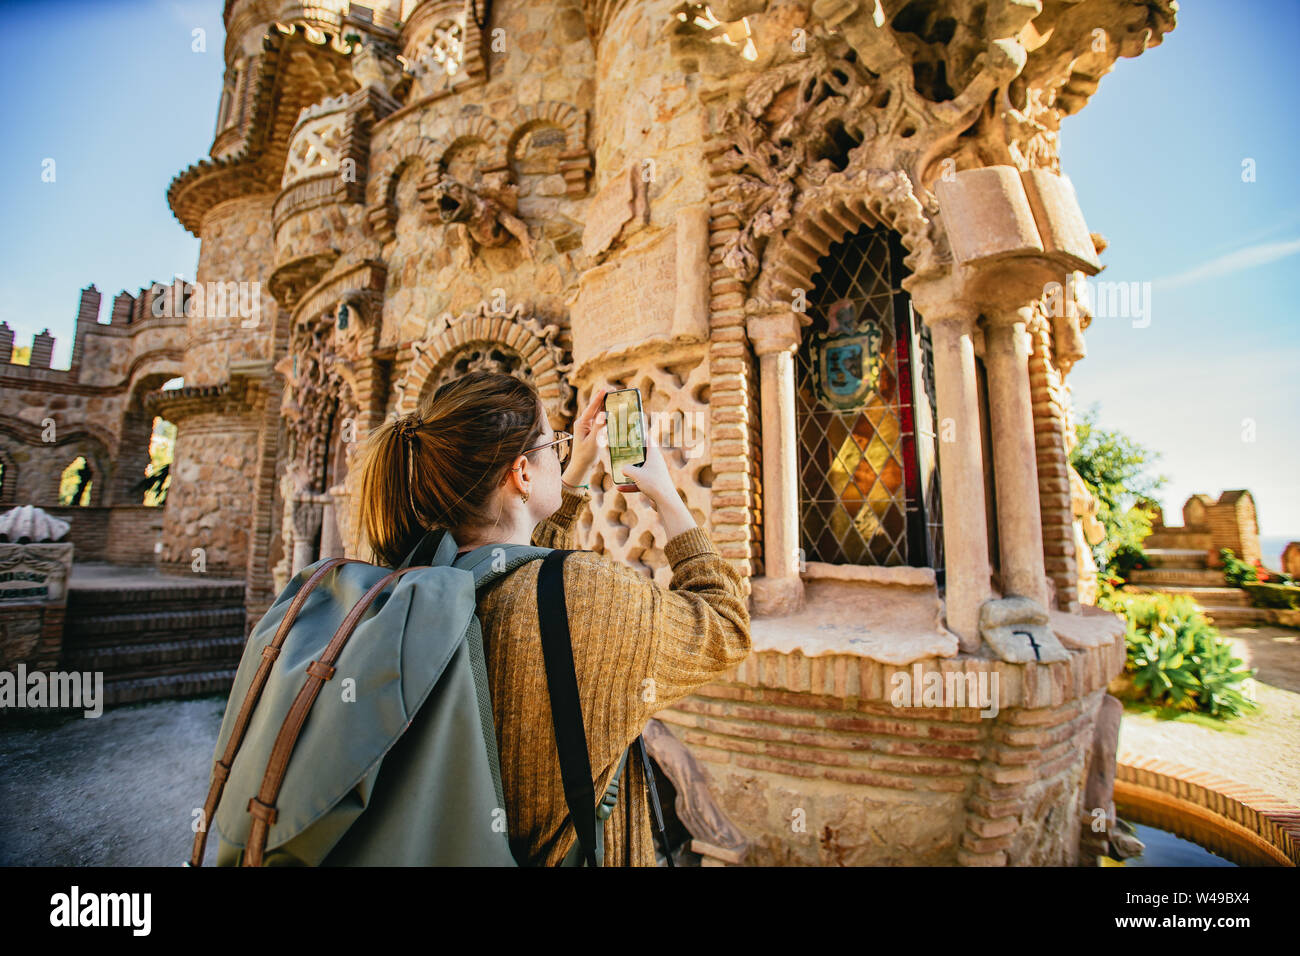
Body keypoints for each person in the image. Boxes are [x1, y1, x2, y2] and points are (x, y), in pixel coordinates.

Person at [357, 370, 751, 866]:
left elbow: (536, 585)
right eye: (554, 444)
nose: (564, 451)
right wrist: (667, 495)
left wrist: (574, 466)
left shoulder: (408, 584)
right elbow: (725, 627)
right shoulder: (591, 594)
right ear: (521, 473)